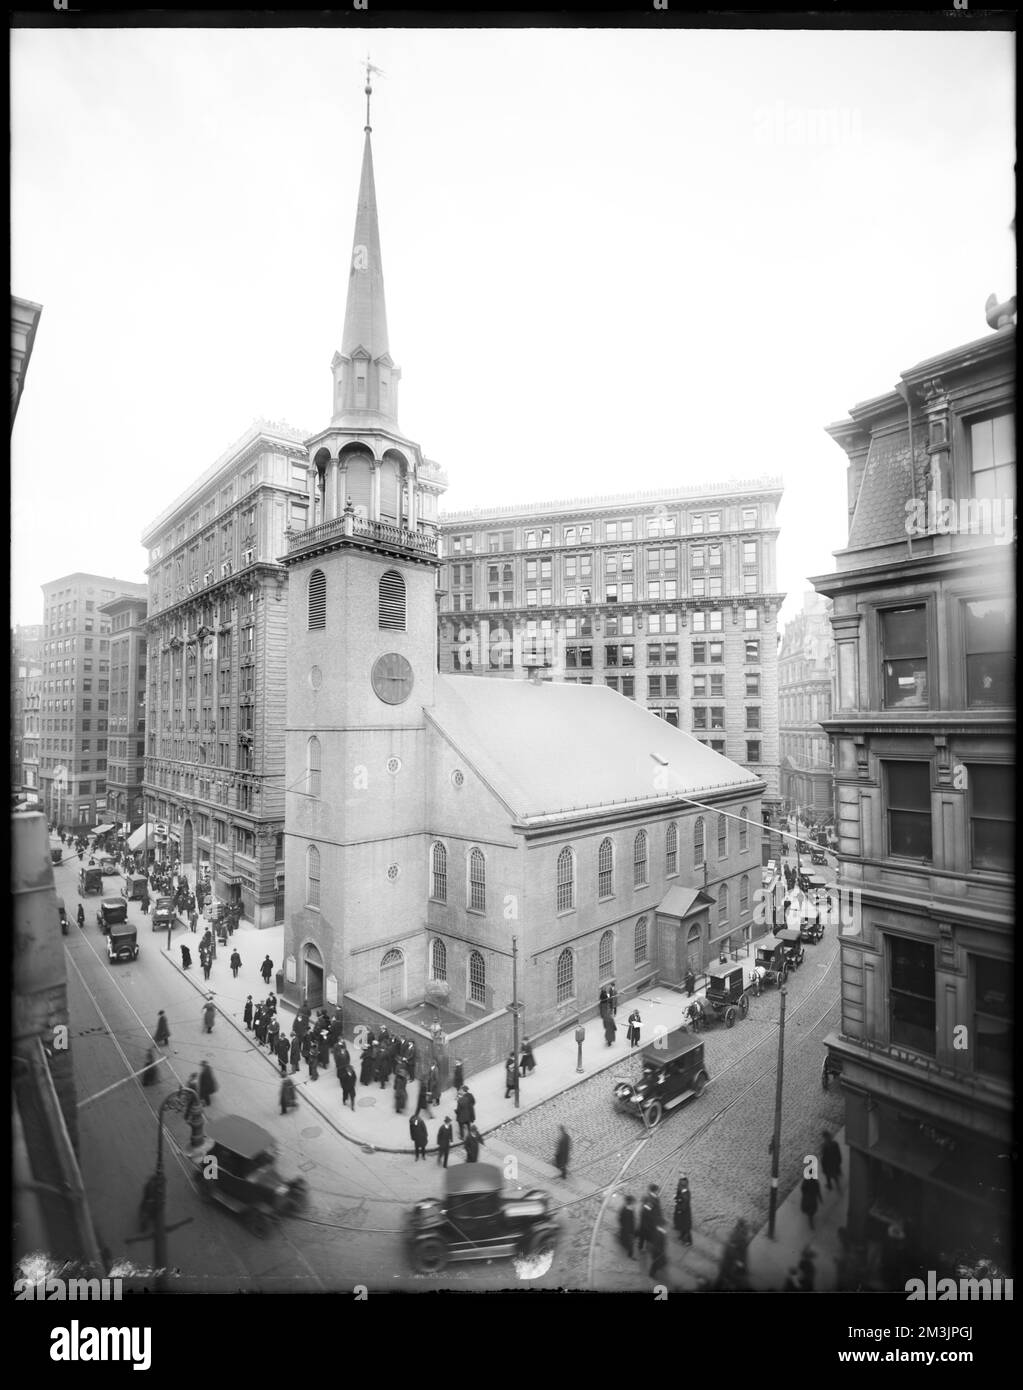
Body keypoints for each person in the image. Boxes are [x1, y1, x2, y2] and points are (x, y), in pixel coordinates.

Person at [637, 1183, 663, 1257]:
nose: (658, 1192)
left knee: (647, 1235)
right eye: (657, 1191)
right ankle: (641, 1247)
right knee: (644, 1235)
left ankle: (645, 1245)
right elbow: (645, 1212)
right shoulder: (650, 1200)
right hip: (647, 1223)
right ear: (655, 1191)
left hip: (650, 1222)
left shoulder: (654, 1197)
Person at [673, 1176, 693, 1245]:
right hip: (682, 1212)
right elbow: (680, 1198)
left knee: (686, 1228)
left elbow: (684, 1204)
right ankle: (682, 1236)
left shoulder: (686, 1193)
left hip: (684, 1213)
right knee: (682, 1226)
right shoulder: (683, 1191)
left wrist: (679, 1209)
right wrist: (677, 1198)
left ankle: (688, 1241)